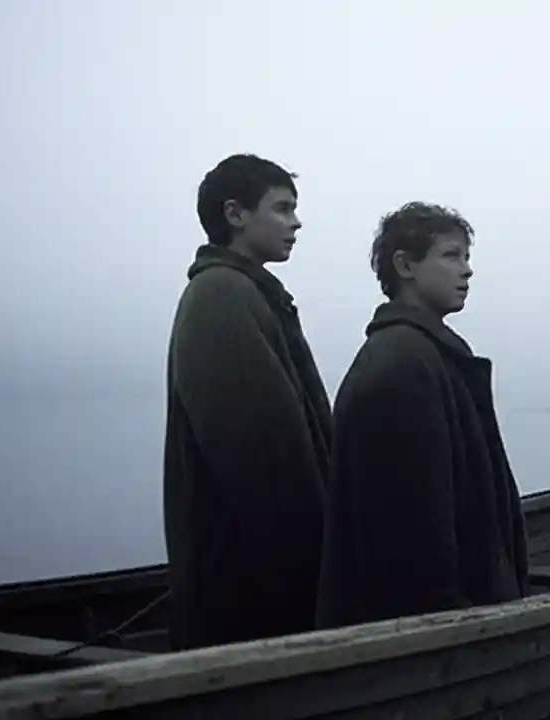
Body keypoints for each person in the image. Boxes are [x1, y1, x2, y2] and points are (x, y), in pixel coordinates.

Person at [316, 202, 528, 627]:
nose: (467, 271)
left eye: (467, 258)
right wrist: (451, 617)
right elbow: (414, 519)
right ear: (405, 265)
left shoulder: (427, 353)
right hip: (428, 629)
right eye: (451, 256)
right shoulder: (403, 362)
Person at [163, 154, 333, 649]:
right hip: (249, 598)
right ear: (235, 214)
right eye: (281, 208)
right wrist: (319, 570)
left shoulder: (248, 293)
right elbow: (265, 460)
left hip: (261, 587)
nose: (296, 222)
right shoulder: (221, 296)